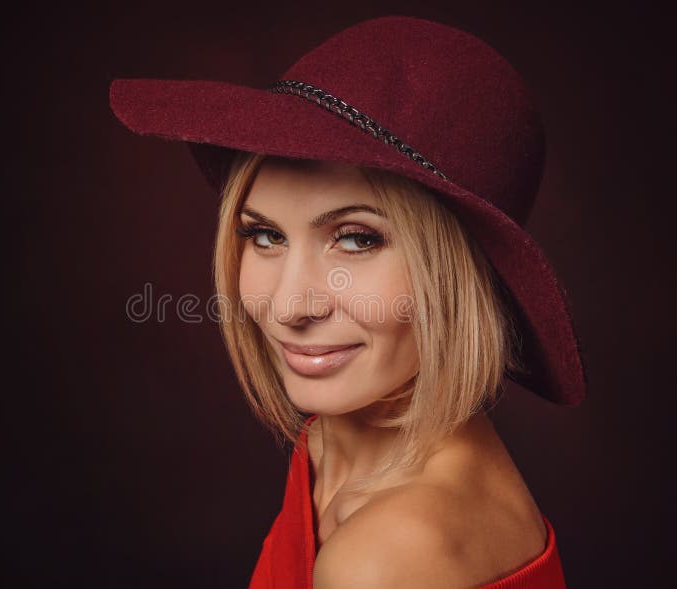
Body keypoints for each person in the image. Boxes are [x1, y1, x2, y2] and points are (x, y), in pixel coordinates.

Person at [109, 15, 587, 589]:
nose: (289, 306)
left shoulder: (384, 560)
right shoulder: (333, 434)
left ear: (467, 272)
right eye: (265, 236)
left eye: (358, 239)